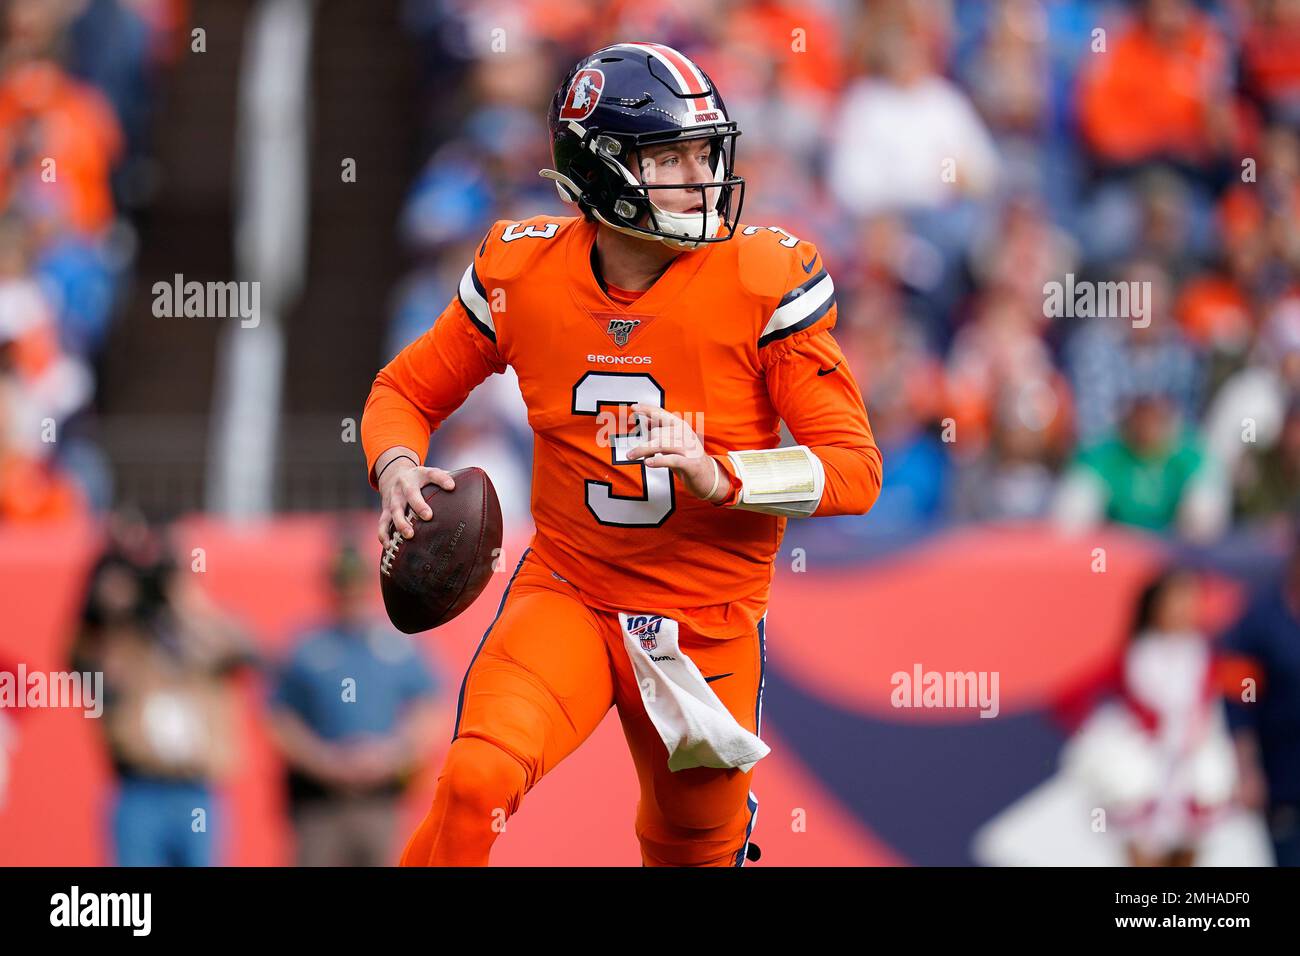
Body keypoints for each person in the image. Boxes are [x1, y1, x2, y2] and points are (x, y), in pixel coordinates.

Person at [361, 42, 883, 867]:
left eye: (704, 152)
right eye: (670, 156)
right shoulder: (523, 271)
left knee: (692, 856)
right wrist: (396, 468)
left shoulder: (758, 279)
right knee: (475, 779)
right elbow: (403, 393)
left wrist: (722, 472)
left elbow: (855, 469)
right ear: (601, 172)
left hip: (705, 626)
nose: (700, 174)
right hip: (573, 590)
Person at [268, 544, 443, 867]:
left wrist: (392, 754)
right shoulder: (307, 647)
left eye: (356, 585)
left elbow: (431, 710)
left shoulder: (397, 645)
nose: (349, 594)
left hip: (381, 802)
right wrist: (325, 761)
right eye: (342, 584)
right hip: (320, 804)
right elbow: (279, 719)